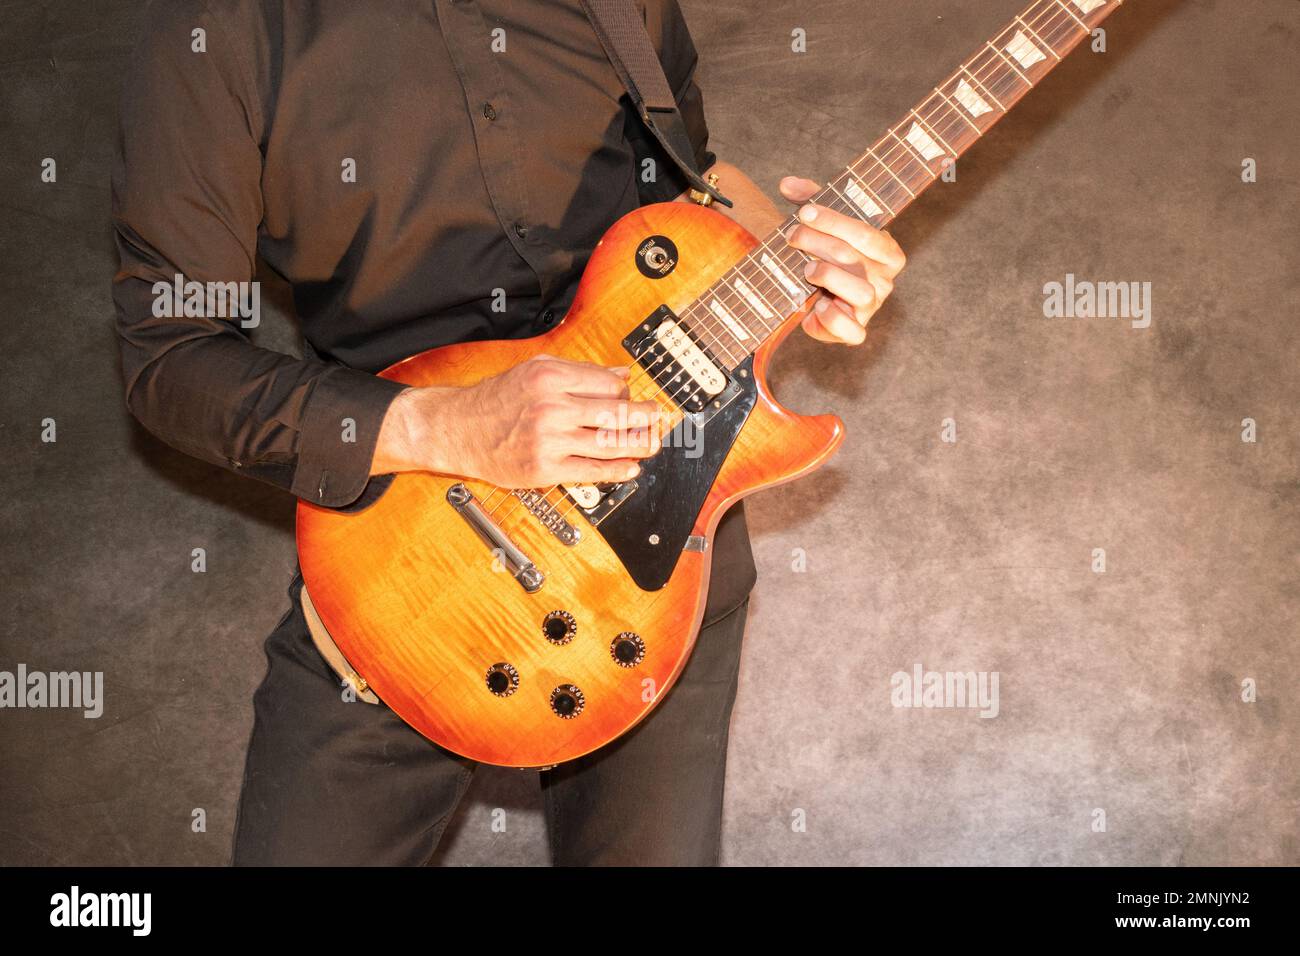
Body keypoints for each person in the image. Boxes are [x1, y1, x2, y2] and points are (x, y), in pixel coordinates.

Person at [112, 0, 906, 866]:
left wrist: (802, 259)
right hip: (403, 573)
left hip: (658, 554)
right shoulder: (218, 28)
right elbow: (170, 360)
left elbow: (693, 185)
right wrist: (452, 425)